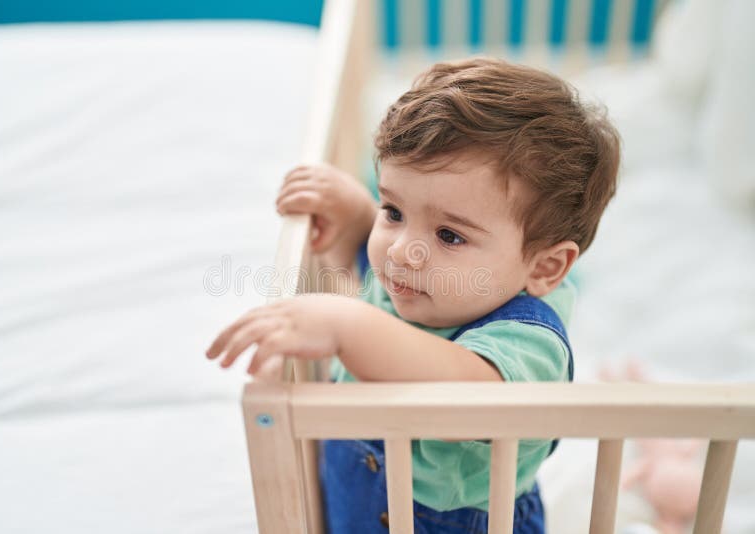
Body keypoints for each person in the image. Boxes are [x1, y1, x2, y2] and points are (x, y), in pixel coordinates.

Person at [206, 57, 620, 533]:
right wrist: (360, 220)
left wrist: (346, 327)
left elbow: (463, 390)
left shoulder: (530, 348)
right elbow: (370, 284)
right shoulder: (423, 282)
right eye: (394, 210)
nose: (403, 252)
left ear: (544, 266)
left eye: (449, 235)